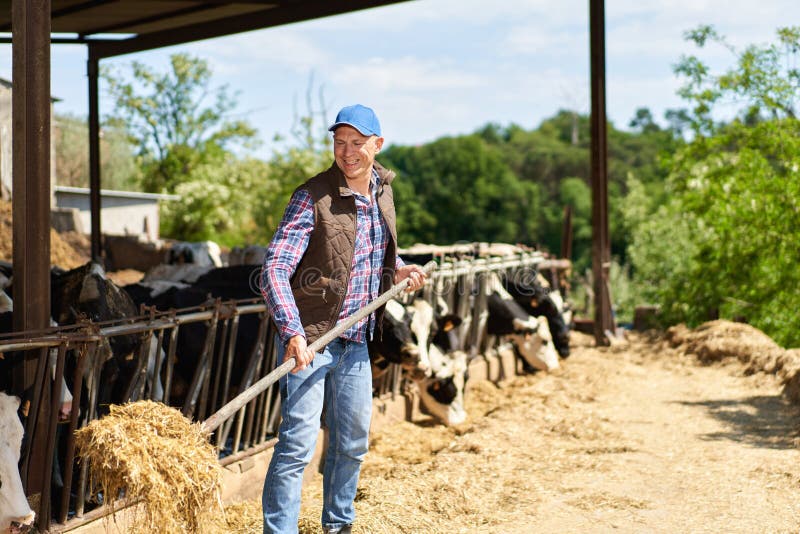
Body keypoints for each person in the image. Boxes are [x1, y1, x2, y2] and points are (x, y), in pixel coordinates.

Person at [260, 104, 427, 533]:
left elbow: (372, 254)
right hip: (312, 341)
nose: (347, 151)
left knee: (352, 443)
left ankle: (339, 525)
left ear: (377, 144)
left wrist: (400, 268)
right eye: (339, 142)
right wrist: (292, 332)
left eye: (357, 142)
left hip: (356, 340)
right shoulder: (312, 196)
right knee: (298, 444)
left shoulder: (383, 192)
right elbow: (275, 268)